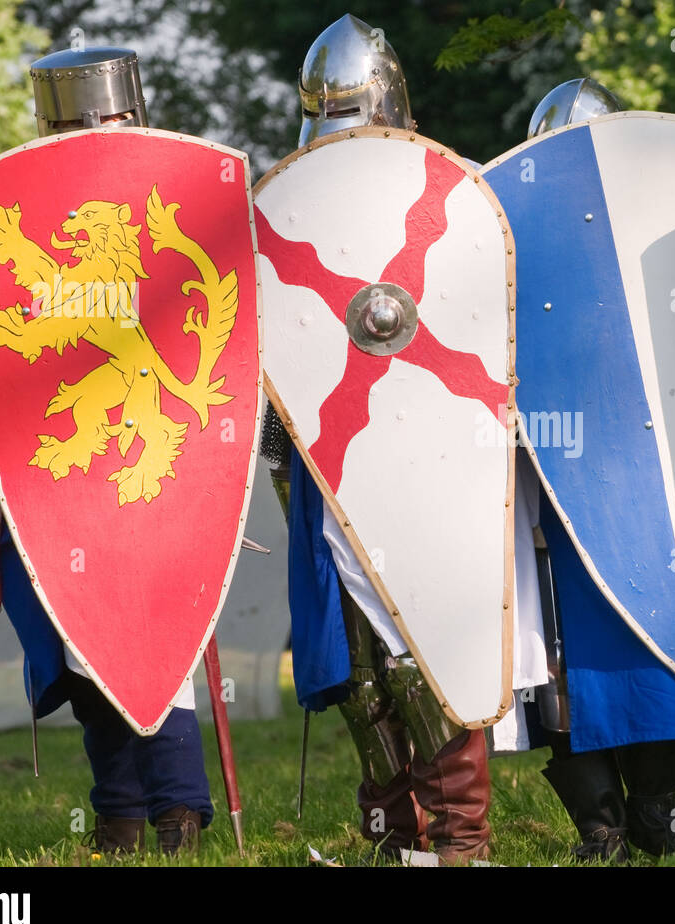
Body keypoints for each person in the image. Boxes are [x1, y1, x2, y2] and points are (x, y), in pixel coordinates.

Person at [264, 13, 496, 864]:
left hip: (430, 467)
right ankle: (400, 835)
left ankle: (460, 840)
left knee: (422, 650)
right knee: (357, 671)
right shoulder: (287, 196)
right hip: (327, 462)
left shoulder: (453, 191)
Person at [0, 47, 212, 855]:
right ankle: (118, 809)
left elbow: (90, 323)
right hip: (72, 478)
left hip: (147, 457)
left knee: (156, 642)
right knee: (86, 647)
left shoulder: (159, 206)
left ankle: (175, 808)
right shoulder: (44, 212)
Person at [511, 78, 675, 864]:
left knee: (655, 653)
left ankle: (655, 813)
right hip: (550, 480)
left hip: (652, 481)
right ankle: (602, 825)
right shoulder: (507, 237)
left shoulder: (668, 238)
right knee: (564, 657)